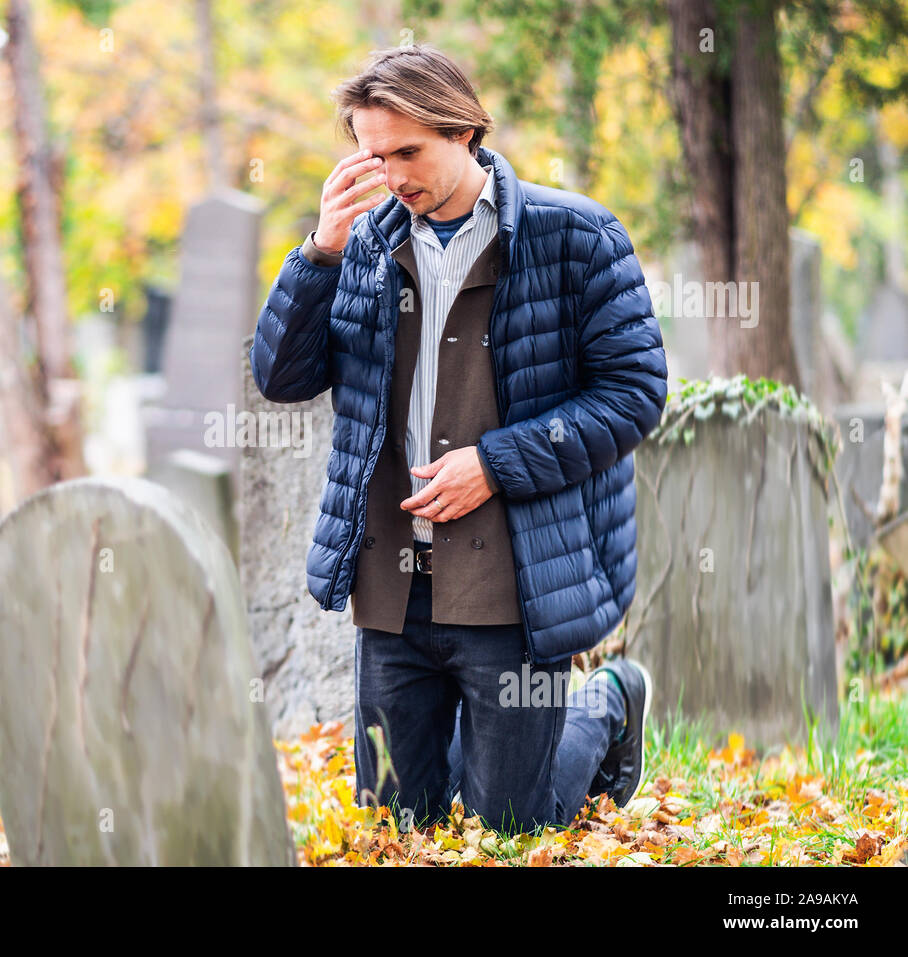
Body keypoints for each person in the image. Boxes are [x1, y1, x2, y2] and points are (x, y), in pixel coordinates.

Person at [249, 44, 668, 834]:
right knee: (399, 828)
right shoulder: (360, 246)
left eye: (409, 151)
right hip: (391, 576)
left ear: (465, 130)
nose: (394, 175)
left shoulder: (577, 236)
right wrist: (318, 255)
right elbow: (280, 375)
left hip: (514, 576)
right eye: (373, 156)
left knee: (512, 826)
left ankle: (607, 703)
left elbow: (635, 393)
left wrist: (495, 464)